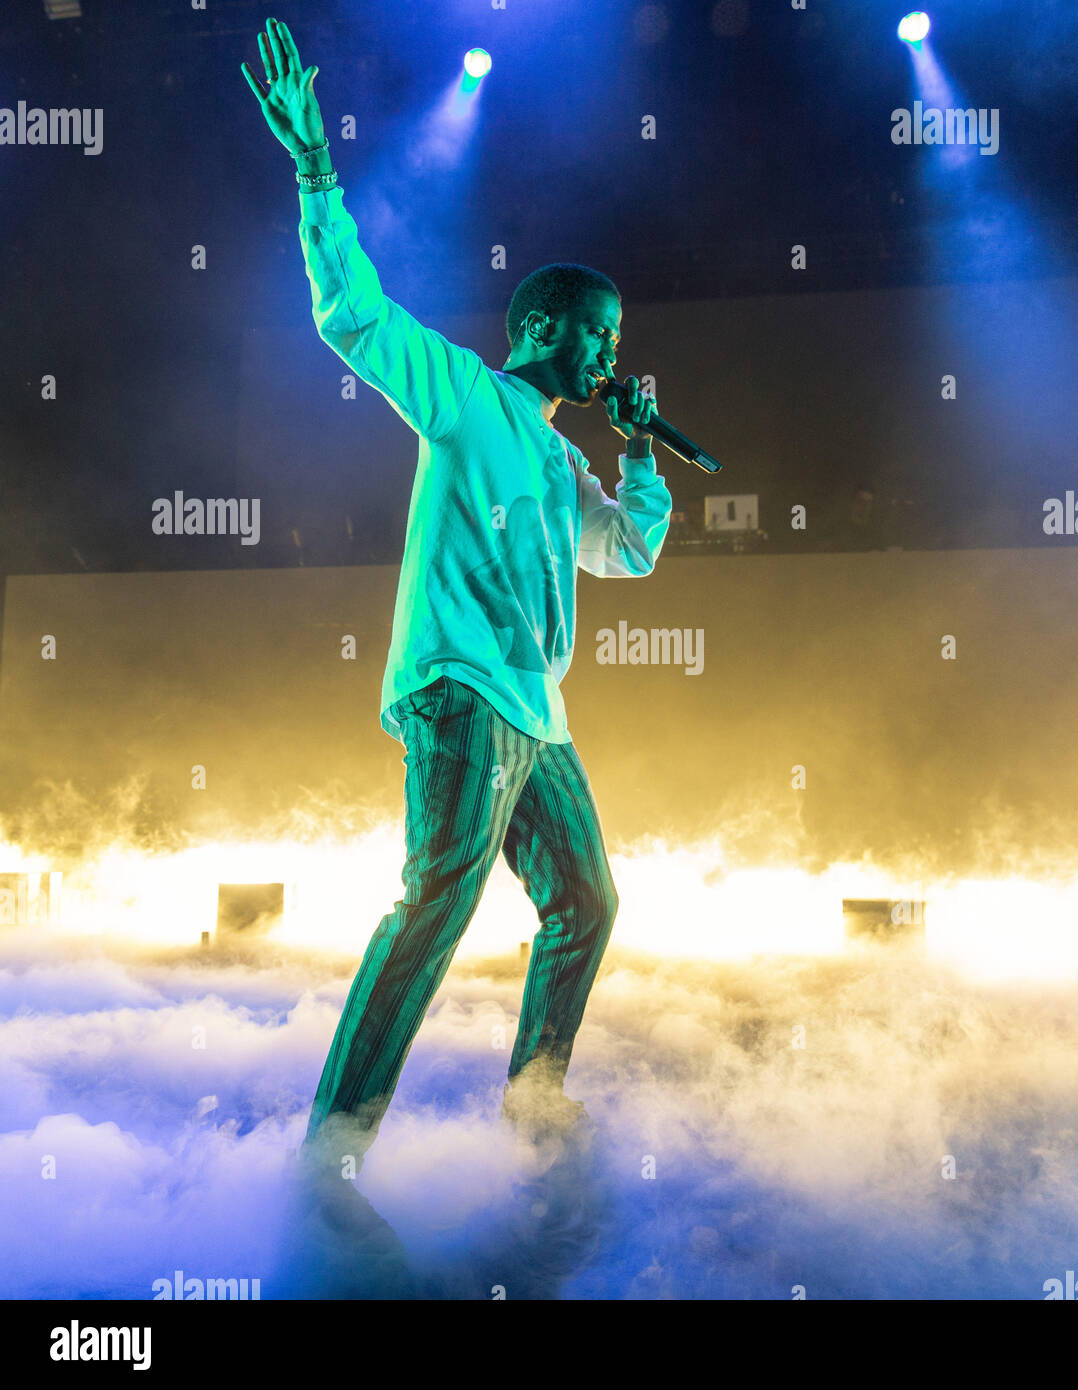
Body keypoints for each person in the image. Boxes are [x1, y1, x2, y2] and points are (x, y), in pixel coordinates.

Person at [242, 20, 672, 1179]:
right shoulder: (471, 400)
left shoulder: (563, 460)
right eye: (594, 333)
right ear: (539, 326)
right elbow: (359, 319)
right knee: (436, 903)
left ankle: (535, 1102)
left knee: (586, 901)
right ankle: (332, 1147)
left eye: (616, 340)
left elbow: (626, 553)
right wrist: (316, 172)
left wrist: (637, 453)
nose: (606, 354)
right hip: (459, 694)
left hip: (538, 716)